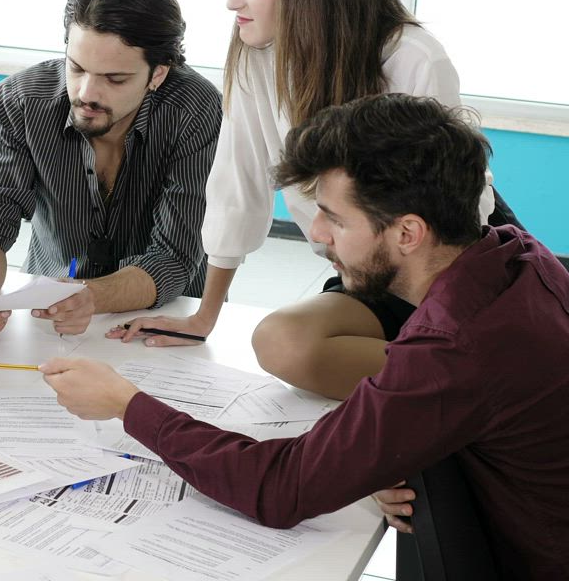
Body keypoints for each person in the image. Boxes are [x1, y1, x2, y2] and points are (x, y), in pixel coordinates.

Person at [44, 94, 569, 578]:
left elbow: (278, 489)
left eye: (335, 219)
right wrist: (395, 451)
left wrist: (126, 403)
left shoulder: (455, 346)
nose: (315, 234)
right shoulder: (518, 254)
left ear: (408, 233)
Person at [117, 0, 500, 400]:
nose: (233, 0)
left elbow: (459, 214)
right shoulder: (256, 57)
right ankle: (476, 376)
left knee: (409, 353)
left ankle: (475, 369)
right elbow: (237, 183)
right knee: (279, 341)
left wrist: (441, 322)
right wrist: (206, 314)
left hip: (448, 274)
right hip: (369, 276)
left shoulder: (411, 58)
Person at [0, 0, 222, 339]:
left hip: (165, 315)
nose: (87, 93)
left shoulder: (195, 110)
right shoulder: (20, 101)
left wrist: (90, 295)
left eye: (115, 79)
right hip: (51, 311)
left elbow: (173, 258)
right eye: (76, 68)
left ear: (157, 74)